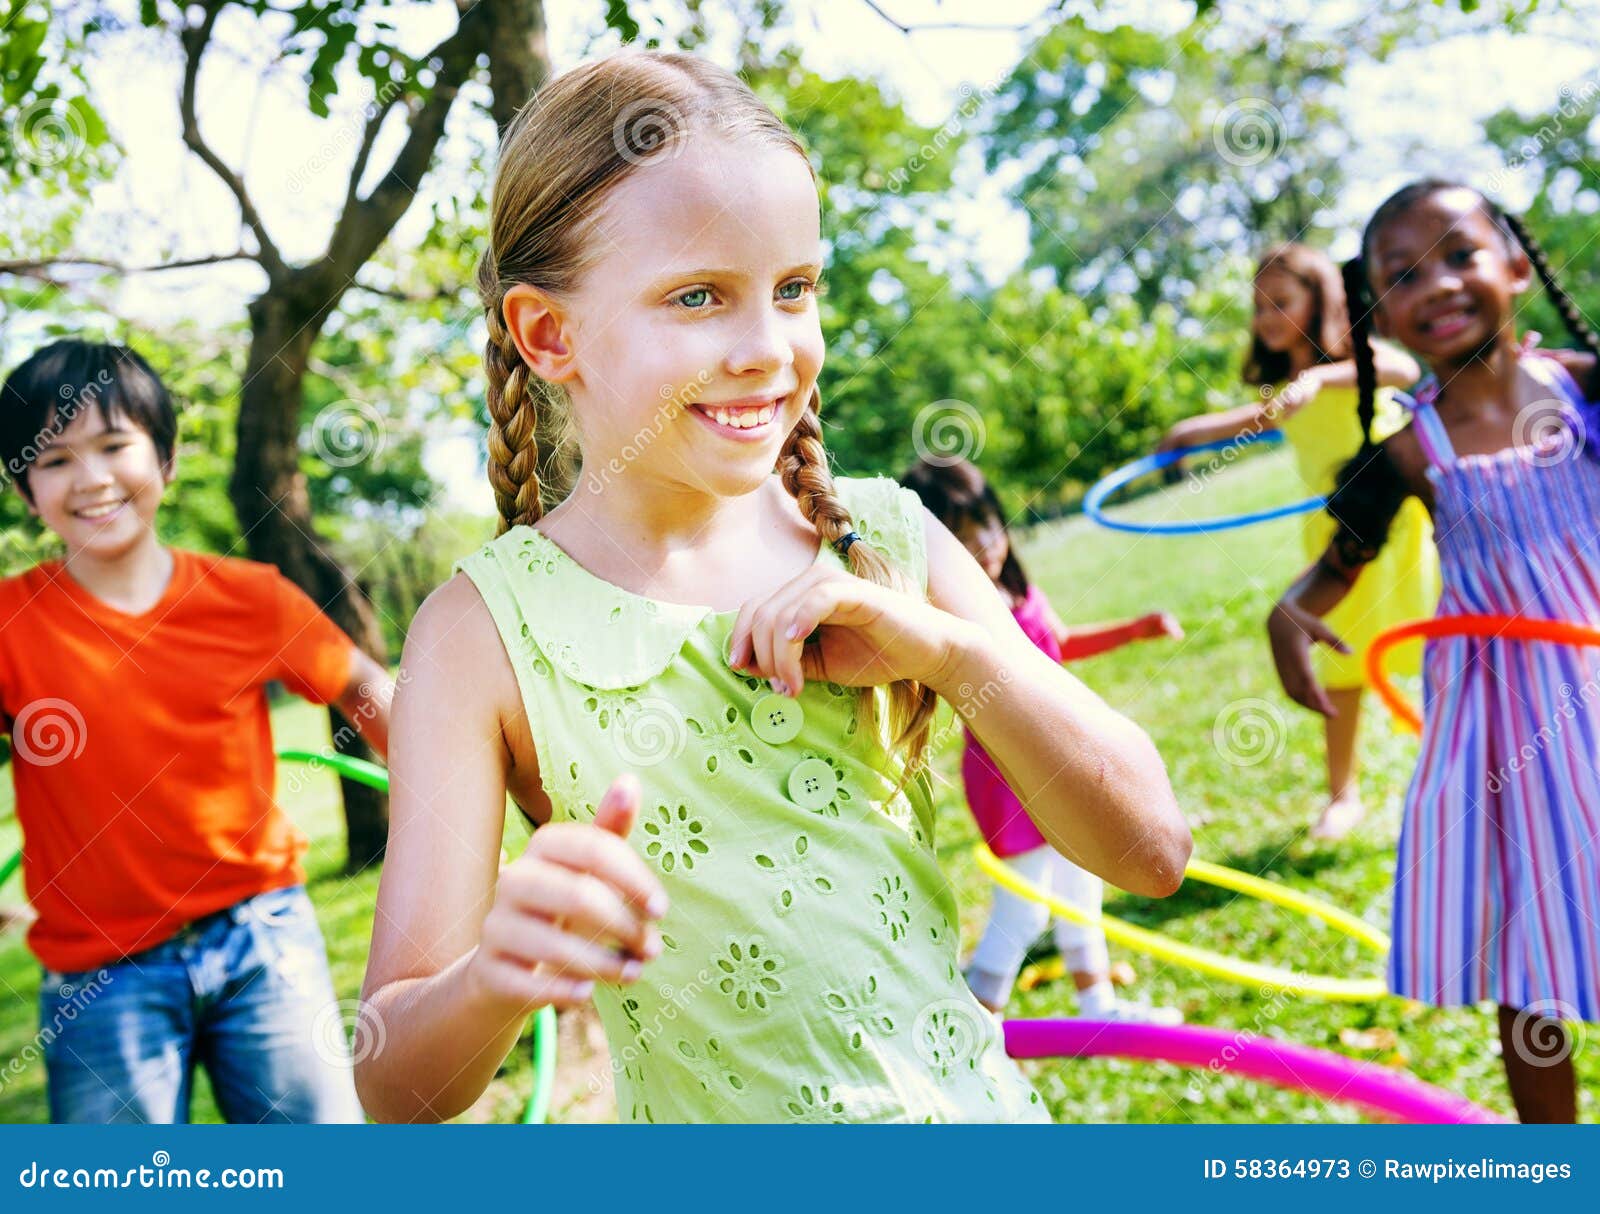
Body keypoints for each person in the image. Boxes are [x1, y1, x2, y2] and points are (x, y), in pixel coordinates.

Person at [358, 49, 1191, 1125]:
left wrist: (952, 652)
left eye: (794, 289)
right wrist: (491, 978)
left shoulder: (882, 534)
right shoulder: (480, 631)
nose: (767, 348)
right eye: (698, 296)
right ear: (549, 333)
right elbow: (394, 1088)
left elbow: (1151, 848)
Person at [1266, 180, 1600, 1122]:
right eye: (1402, 276)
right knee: (1529, 961)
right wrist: (1289, 617)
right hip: (1505, 738)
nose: (1438, 285)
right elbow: (1332, 571)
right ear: (1377, 313)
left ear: (1518, 267)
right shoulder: (1412, 452)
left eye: (1460, 255)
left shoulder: (1585, 388)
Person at [0, 339, 392, 1123]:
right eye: (56, 460)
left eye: (115, 446)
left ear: (167, 459)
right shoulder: (10, 623)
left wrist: (447, 818)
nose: (94, 479)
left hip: (264, 937)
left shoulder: (248, 598)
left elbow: (369, 690)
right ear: (24, 488)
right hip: (98, 974)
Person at [1160, 244, 1439, 840]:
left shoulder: (1350, 363)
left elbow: (1406, 370)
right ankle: (1343, 794)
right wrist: (1190, 433)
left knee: (1437, 640)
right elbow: (1247, 421)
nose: (1266, 318)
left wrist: (1319, 378)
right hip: (1334, 531)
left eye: (1281, 302)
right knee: (1342, 659)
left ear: (1321, 300)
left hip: (1397, 519)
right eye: (1259, 307)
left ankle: (1462, 761)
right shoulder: (1289, 386)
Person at [902, 457, 1183, 1022]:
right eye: (958, 534)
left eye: (986, 523)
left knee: (1083, 882)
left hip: (1062, 755)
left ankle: (1096, 1003)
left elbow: (1058, 643)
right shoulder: (947, 612)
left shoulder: (1017, 592)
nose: (981, 543)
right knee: (1025, 910)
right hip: (1007, 773)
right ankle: (973, 1026)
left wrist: (1133, 630)